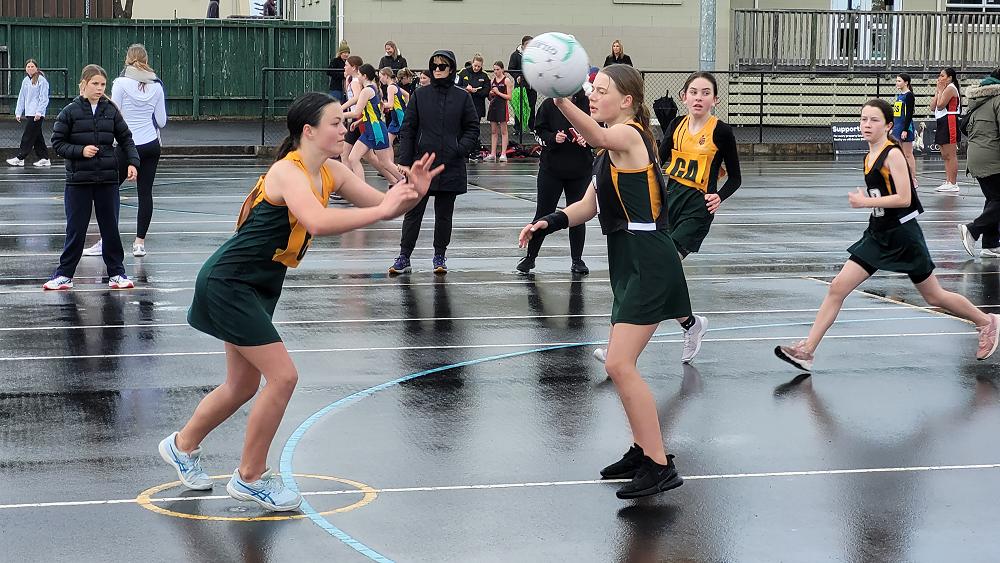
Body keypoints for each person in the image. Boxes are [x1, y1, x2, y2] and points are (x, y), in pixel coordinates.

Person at [159, 92, 442, 512]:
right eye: (335, 123)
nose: (344, 128)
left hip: (258, 284)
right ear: (308, 131)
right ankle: (250, 477)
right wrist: (386, 210)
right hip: (230, 281)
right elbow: (319, 221)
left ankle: (182, 446)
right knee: (283, 377)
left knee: (241, 385)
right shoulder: (287, 172)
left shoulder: (331, 172)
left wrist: (412, 193)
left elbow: (383, 205)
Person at [518, 64, 691, 499]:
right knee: (619, 362)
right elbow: (587, 207)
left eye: (600, 91)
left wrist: (559, 98)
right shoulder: (607, 152)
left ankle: (658, 464)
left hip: (650, 258)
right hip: (627, 258)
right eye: (590, 91)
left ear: (627, 101)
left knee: (618, 365)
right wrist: (549, 221)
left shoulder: (630, 136)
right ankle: (642, 450)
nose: (592, 97)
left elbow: (595, 134)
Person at [775, 99, 999, 372]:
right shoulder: (869, 155)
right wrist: (871, 207)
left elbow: (905, 198)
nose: (866, 125)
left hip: (903, 234)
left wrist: (864, 203)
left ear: (888, 125)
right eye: (863, 119)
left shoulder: (892, 154)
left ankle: (985, 322)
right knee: (837, 287)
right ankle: (807, 351)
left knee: (934, 297)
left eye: (874, 120)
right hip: (877, 233)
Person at [596, 72, 741, 365]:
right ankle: (690, 323)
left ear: (716, 99)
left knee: (663, 265)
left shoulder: (721, 132)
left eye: (705, 93)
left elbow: (736, 176)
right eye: (694, 92)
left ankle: (623, 353)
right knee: (659, 269)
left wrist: (720, 196)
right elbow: (655, 160)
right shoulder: (676, 126)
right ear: (683, 97)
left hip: (697, 209)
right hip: (668, 203)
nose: (699, 98)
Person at [43, 64, 139, 291]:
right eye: (95, 83)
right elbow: (57, 143)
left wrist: (134, 163)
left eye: (103, 84)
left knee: (110, 229)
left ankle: (117, 274)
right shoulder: (69, 112)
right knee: (76, 229)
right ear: (83, 84)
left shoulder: (110, 110)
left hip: (107, 180)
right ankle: (64, 275)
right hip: (79, 181)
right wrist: (80, 151)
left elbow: (126, 139)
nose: (99, 88)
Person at [388, 50, 480, 275]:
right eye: (435, 66)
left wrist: (459, 148)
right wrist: (406, 163)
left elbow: (473, 128)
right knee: (413, 212)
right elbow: (408, 129)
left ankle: (440, 255)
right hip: (422, 166)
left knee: (444, 214)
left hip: (450, 165)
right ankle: (404, 256)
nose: (438, 70)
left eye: (443, 66)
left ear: (451, 69)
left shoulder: (462, 97)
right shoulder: (420, 95)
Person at [82, 44, 167, 259]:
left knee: (108, 191)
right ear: (146, 60)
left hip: (127, 145)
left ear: (127, 60)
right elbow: (162, 121)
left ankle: (104, 241)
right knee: (145, 193)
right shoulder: (157, 85)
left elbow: (114, 113)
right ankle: (139, 243)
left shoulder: (120, 83)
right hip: (150, 144)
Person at [516, 87, 593, 275]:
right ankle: (530, 257)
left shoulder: (587, 104)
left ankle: (577, 260)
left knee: (578, 215)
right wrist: (552, 137)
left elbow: (599, 131)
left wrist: (588, 139)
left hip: (580, 170)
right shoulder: (550, 104)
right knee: (543, 212)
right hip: (552, 169)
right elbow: (538, 131)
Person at [957, 68, 1000, 258]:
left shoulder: (979, 100)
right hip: (993, 158)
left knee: (994, 199)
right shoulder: (998, 100)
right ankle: (973, 230)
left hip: (977, 156)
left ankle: (990, 244)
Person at [342, 64, 402, 184]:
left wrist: (339, 113)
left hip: (376, 130)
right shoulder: (373, 88)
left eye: (359, 74)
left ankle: (405, 181)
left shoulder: (367, 90)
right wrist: (359, 122)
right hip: (370, 129)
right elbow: (371, 112)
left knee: (386, 163)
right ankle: (362, 189)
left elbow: (356, 112)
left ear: (364, 76)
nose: (357, 76)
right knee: (353, 158)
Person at [7, 59, 51, 168]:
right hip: (29, 112)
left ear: (36, 68)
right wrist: (18, 112)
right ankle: (44, 158)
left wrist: (39, 112)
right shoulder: (25, 81)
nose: (30, 68)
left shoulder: (42, 81)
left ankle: (20, 157)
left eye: (32, 66)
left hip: (37, 114)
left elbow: (44, 98)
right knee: (37, 137)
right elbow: (22, 97)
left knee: (28, 135)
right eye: (28, 67)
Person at [931, 68, 962, 193]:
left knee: (951, 154)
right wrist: (937, 92)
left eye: (942, 76)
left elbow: (940, 105)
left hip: (950, 120)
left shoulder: (950, 88)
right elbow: (932, 107)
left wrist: (939, 90)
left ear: (949, 78)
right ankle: (948, 180)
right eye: (939, 76)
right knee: (944, 155)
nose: (939, 78)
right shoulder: (943, 89)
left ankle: (953, 183)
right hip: (942, 120)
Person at [508, 35, 537, 130]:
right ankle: (518, 128)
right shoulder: (515, 55)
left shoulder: (535, 56)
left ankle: (531, 127)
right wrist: (517, 76)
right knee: (520, 107)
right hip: (520, 86)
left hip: (532, 86)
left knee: (531, 107)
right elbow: (511, 69)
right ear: (523, 45)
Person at [486, 61, 513, 162]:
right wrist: (491, 93)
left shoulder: (506, 80)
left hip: (502, 106)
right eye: (494, 70)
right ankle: (492, 153)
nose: (496, 71)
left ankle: (503, 153)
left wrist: (498, 93)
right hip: (493, 106)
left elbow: (509, 97)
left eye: (498, 69)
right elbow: (490, 96)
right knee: (493, 131)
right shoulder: (492, 80)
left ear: (502, 69)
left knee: (504, 131)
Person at [893, 73, 917, 184]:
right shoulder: (900, 96)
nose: (897, 83)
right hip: (898, 127)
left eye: (899, 81)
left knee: (908, 154)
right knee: (899, 154)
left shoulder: (909, 95)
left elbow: (909, 114)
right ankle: (902, 177)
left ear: (906, 82)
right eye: (896, 81)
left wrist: (905, 129)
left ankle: (913, 178)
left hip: (905, 127)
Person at [380, 66, 408, 146]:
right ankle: (390, 159)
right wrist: (406, 106)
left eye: (381, 77)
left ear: (386, 76)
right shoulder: (395, 85)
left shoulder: (390, 87)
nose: (380, 79)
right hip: (397, 118)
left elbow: (390, 104)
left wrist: (379, 105)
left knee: (392, 142)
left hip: (399, 117)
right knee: (388, 142)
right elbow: (407, 95)